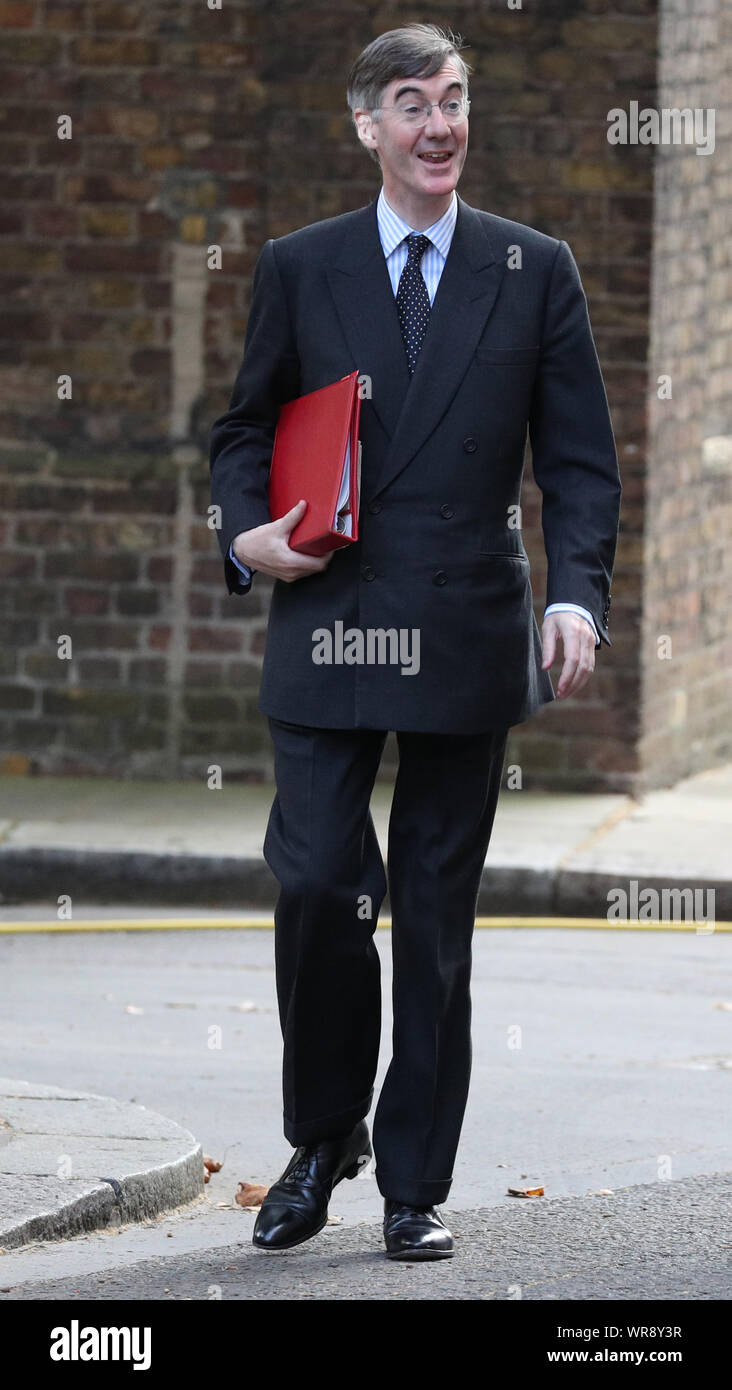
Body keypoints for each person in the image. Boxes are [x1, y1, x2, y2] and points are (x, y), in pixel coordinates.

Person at [209, 23, 622, 1261]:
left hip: (464, 629)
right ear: (367, 126)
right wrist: (246, 539)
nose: (439, 125)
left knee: (437, 916)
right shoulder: (302, 264)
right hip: (329, 623)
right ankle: (324, 1136)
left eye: (452, 100)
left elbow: (583, 461)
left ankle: (414, 1185)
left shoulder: (532, 267)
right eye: (412, 104)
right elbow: (240, 431)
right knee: (322, 883)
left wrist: (575, 596)